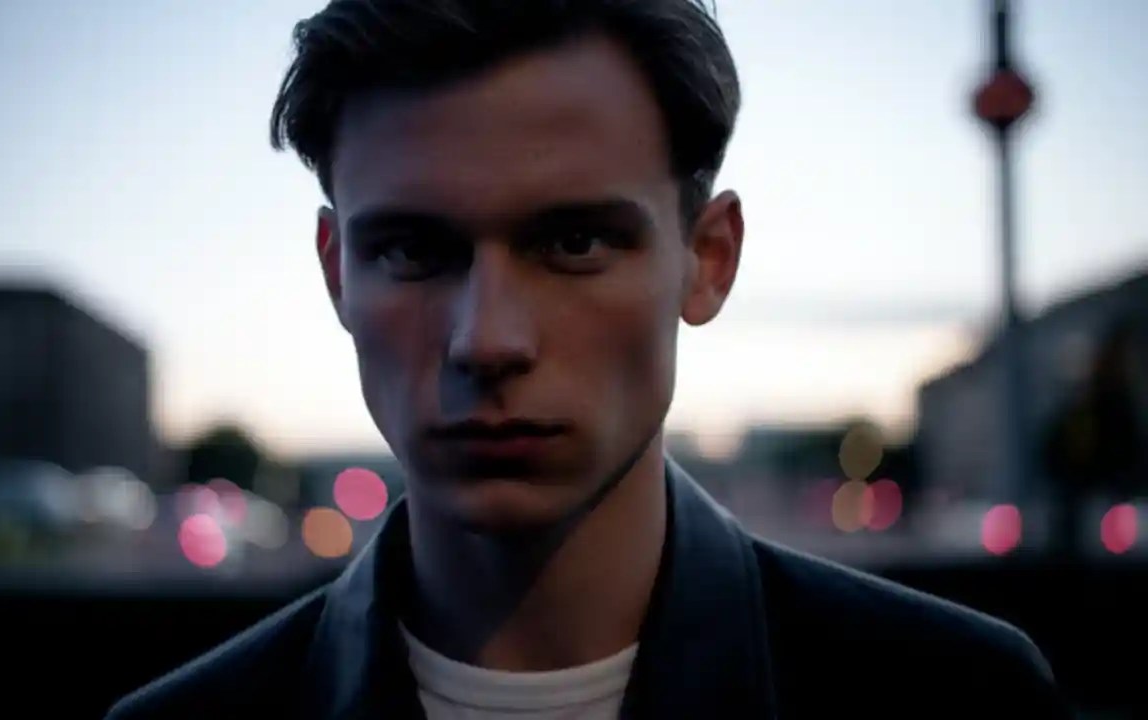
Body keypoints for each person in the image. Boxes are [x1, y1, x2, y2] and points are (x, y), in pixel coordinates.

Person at [107, 1, 1069, 717]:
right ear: (336, 273)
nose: (488, 340)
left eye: (574, 243)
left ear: (708, 259)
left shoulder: (962, 698)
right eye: (411, 251)